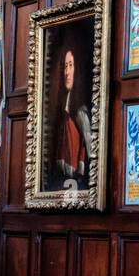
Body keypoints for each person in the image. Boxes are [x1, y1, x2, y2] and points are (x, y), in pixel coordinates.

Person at [51, 45, 90, 189]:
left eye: (71, 66)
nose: (67, 72)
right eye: (65, 66)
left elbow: (89, 150)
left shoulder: (81, 111)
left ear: (77, 69)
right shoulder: (61, 109)